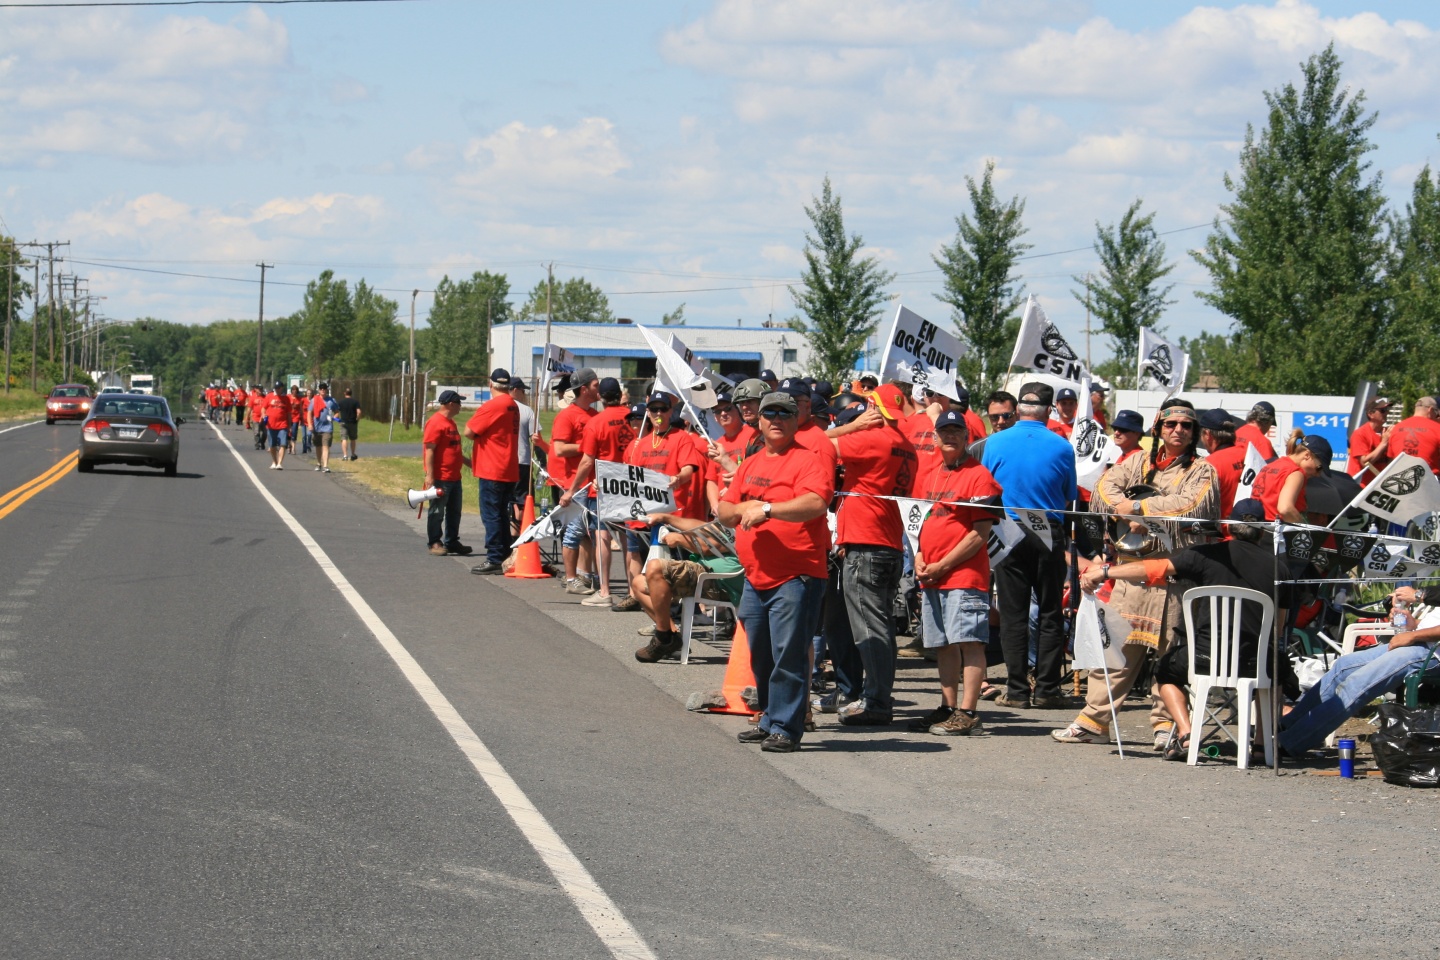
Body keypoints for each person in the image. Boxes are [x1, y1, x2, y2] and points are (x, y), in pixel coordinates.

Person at [1079, 499, 1301, 760]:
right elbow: (1279, 626)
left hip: (1204, 658)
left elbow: (1153, 568)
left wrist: (1106, 571)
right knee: (1276, 673)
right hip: (1256, 661)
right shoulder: (1280, 568)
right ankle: (1263, 744)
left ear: (1228, 528)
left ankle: (1186, 734)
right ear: (1262, 531)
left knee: (1164, 672)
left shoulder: (1208, 555)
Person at [1054, 400, 1219, 747]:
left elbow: (1191, 504)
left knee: (1171, 659)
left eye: (1186, 426)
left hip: (1177, 576)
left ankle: (1166, 725)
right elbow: (1103, 489)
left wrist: (1139, 508)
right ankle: (1094, 721)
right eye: (1171, 424)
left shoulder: (1203, 471)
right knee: (1114, 650)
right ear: (1158, 429)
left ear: (1194, 433)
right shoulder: (1138, 462)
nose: (1178, 430)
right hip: (1131, 575)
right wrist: (1123, 508)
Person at [718, 391, 834, 753]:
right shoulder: (751, 464)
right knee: (761, 653)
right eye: (770, 413)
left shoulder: (808, 460)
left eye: (784, 413)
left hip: (796, 574)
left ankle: (787, 726)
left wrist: (767, 509)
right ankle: (769, 717)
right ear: (760, 421)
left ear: (796, 419)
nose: (777, 420)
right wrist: (742, 508)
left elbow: (816, 502)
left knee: (789, 654)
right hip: (756, 575)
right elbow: (724, 509)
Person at [822, 382, 917, 726]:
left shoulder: (871, 438)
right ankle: (877, 697)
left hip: (865, 544)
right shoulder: (906, 445)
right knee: (882, 627)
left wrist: (849, 426)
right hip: (888, 543)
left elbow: (815, 445)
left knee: (869, 630)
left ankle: (877, 702)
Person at [981, 382, 1077, 708]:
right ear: (1049, 411)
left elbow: (985, 487)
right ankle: (1048, 689)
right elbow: (1068, 495)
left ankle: (1018, 690)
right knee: (1050, 610)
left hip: (1008, 527)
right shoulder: (1063, 446)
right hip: (1047, 526)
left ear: (1018, 409)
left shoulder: (994, 442)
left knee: (1013, 612)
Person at [908, 410, 1000, 736]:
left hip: (963, 575)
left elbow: (980, 533)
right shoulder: (928, 474)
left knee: (970, 642)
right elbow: (918, 524)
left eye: (955, 432)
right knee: (943, 644)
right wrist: (919, 556)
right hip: (932, 575)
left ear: (966, 437)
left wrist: (943, 564)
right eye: (943, 431)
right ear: (934, 437)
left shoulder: (980, 477)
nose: (949, 437)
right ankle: (948, 707)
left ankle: (969, 712)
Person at [1280, 585, 1440, 757]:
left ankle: (1289, 742)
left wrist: (1415, 621)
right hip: (1423, 642)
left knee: (1357, 683)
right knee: (1343, 666)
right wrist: (1413, 625)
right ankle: (1288, 725)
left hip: (1433, 652)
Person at [619, 391, 704, 608]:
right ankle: (664, 617)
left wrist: (678, 478)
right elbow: (630, 478)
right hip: (648, 517)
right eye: (654, 409)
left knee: (676, 567)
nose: (658, 413)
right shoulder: (642, 444)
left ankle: (684, 611)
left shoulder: (681, 438)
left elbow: (688, 469)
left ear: (670, 411)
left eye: (663, 409)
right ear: (647, 412)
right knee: (653, 570)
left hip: (674, 516)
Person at [560, 380, 637, 607]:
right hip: (630, 484)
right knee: (627, 539)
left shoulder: (596, 422)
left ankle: (605, 591)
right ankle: (633, 590)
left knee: (602, 537)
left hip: (603, 486)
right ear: (620, 394)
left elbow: (587, 460)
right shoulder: (635, 419)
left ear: (601, 396)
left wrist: (572, 489)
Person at [631, 512, 744, 662]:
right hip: (707, 575)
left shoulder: (746, 510)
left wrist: (680, 539)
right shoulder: (732, 509)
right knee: (638, 583)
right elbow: (706, 528)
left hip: (725, 580)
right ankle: (669, 635)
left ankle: (663, 638)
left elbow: (712, 545)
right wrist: (666, 518)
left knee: (656, 567)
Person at [465, 369, 520, 575]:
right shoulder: (512, 404)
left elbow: (469, 432)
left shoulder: (493, 405)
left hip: (493, 466)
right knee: (501, 514)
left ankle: (495, 556)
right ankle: (503, 553)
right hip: (507, 465)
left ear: (491, 384)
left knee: (491, 514)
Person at [549, 368, 599, 594]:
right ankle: (571, 579)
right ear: (584, 389)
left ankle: (585, 575)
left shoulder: (595, 416)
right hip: (575, 483)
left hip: (594, 484)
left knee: (588, 532)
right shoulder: (567, 416)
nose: (599, 389)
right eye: (595, 385)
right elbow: (559, 449)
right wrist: (587, 447)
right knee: (574, 532)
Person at [423, 390, 473, 557]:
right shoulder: (436, 422)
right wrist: (430, 475)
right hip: (441, 477)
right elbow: (429, 450)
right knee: (437, 511)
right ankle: (435, 542)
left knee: (454, 511)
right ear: (451, 404)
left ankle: (452, 541)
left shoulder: (451, 423)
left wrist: (468, 463)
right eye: (459, 402)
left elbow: (454, 450)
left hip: (454, 476)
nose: (461, 406)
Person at [1250, 434, 1330, 523]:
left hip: (1258, 527)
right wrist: (1304, 530)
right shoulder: (1296, 473)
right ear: (1307, 455)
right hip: (1277, 531)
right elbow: (1285, 508)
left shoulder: (1269, 466)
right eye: (1319, 468)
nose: (1318, 474)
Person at [1198, 408, 1245, 518]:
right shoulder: (1248, 453)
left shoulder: (1209, 465)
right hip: (1250, 531)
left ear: (1207, 434)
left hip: (1221, 532)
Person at [510, 377, 544, 526]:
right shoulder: (526, 410)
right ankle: (518, 537)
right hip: (521, 461)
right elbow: (536, 440)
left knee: (507, 500)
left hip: (501, 463)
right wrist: (543, 462)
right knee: (522, 500)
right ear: (516, 390)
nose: (524, 395)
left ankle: (508, 538)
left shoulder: (495, 407)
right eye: (523, 391)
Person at [1385, 396, 1440, 475]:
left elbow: (1391, 458)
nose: (1436, 416)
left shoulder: (1396, 428)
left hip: (1399, 478)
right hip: (1427, 480)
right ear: (1430, 410)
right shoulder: (1437, 428)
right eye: (1436, 413)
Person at [1348, 396, 1393, 478]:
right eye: (1383, 411)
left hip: (1379, 485)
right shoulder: (1360, 434)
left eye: (1387, 410)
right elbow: (1365, 463)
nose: (1386, 413)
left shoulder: (1387, 432)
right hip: (1361, 486)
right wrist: (1383, 443)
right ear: (1371, 414)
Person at [968, 389, 1017, 461]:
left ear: (1017, 415)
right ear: (988, 417)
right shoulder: (976, 450)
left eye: (1006, 416)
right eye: (994, 417)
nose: (1001, 421)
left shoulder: (1028, 445)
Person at [309, 382, 337, 472]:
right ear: (319, 390)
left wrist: (333, 418)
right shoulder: (314, 400)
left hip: (328, 427)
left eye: (324, 389)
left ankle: (325, 465)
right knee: (318, 446)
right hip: (317, 427)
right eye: (321, 389)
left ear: (327, 390)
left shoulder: (331, 400)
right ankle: (318, 463)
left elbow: (337, 411)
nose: (323, 390)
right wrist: (310, 424)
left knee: (326, 446)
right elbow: (309, 413)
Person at [264, 381, 291, 470]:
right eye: (276, 388)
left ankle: (279, 463)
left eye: (278, 388)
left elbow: (288, 413)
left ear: (281, 388)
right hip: (271, 425)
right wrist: (263, 416)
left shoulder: (286, 399)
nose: (277, 389)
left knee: (283, 444)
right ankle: (275, 461)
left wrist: (289, 426)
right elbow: (263, 408)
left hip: (282, 425)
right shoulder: (269, 396)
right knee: (272, 445)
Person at [335, 388, 362, 461]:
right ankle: (353, 454)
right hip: (353, 422)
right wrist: (358, 419)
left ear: (344, 393)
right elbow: (359, 412)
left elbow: (337, 413)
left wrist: (335, 418)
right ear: (351, 393)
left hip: (343, 422)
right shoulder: (355, 402)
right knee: (353, 439)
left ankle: (345, 455)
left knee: (344, 438)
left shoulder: (340, 402)